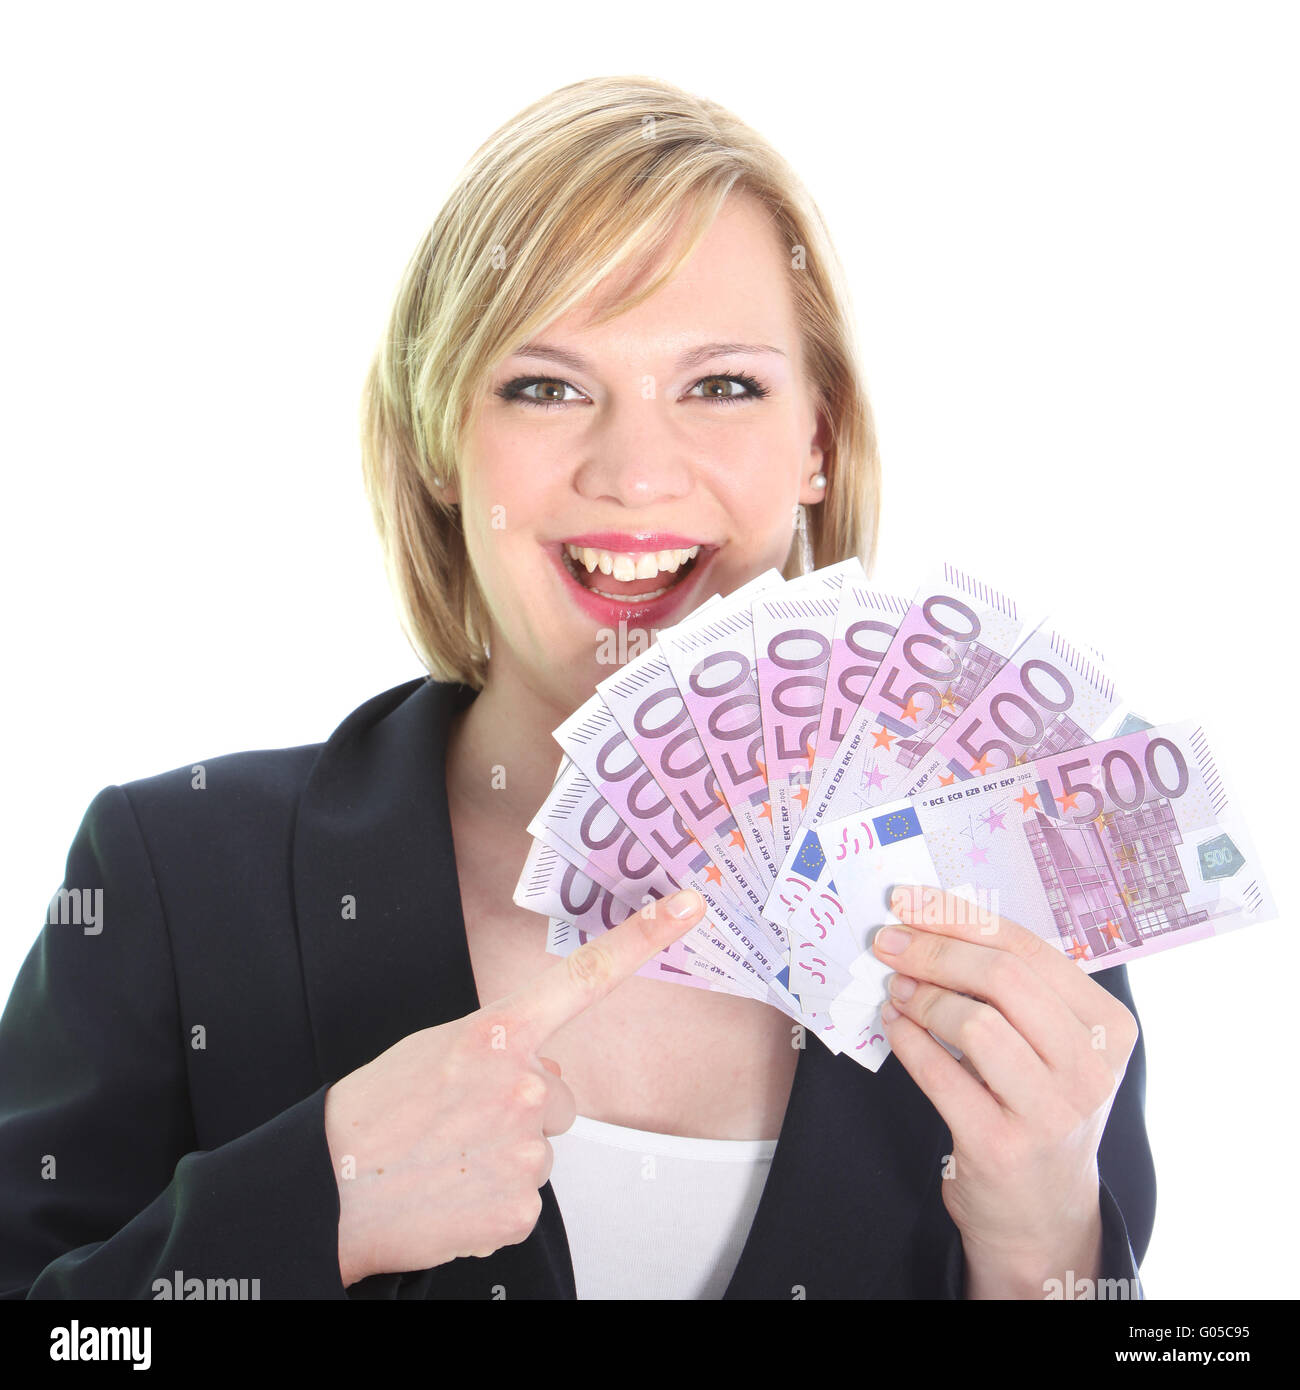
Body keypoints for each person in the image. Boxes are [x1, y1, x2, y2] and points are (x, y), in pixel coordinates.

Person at [0, 75, 1155, 1300]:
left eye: (722, 385)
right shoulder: (176, 875)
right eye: (545, 385)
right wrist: (312, 1203)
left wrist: (1044, 1246)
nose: (636, 474)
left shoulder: (1007, 894)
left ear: (816, 442)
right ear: (438, 440)